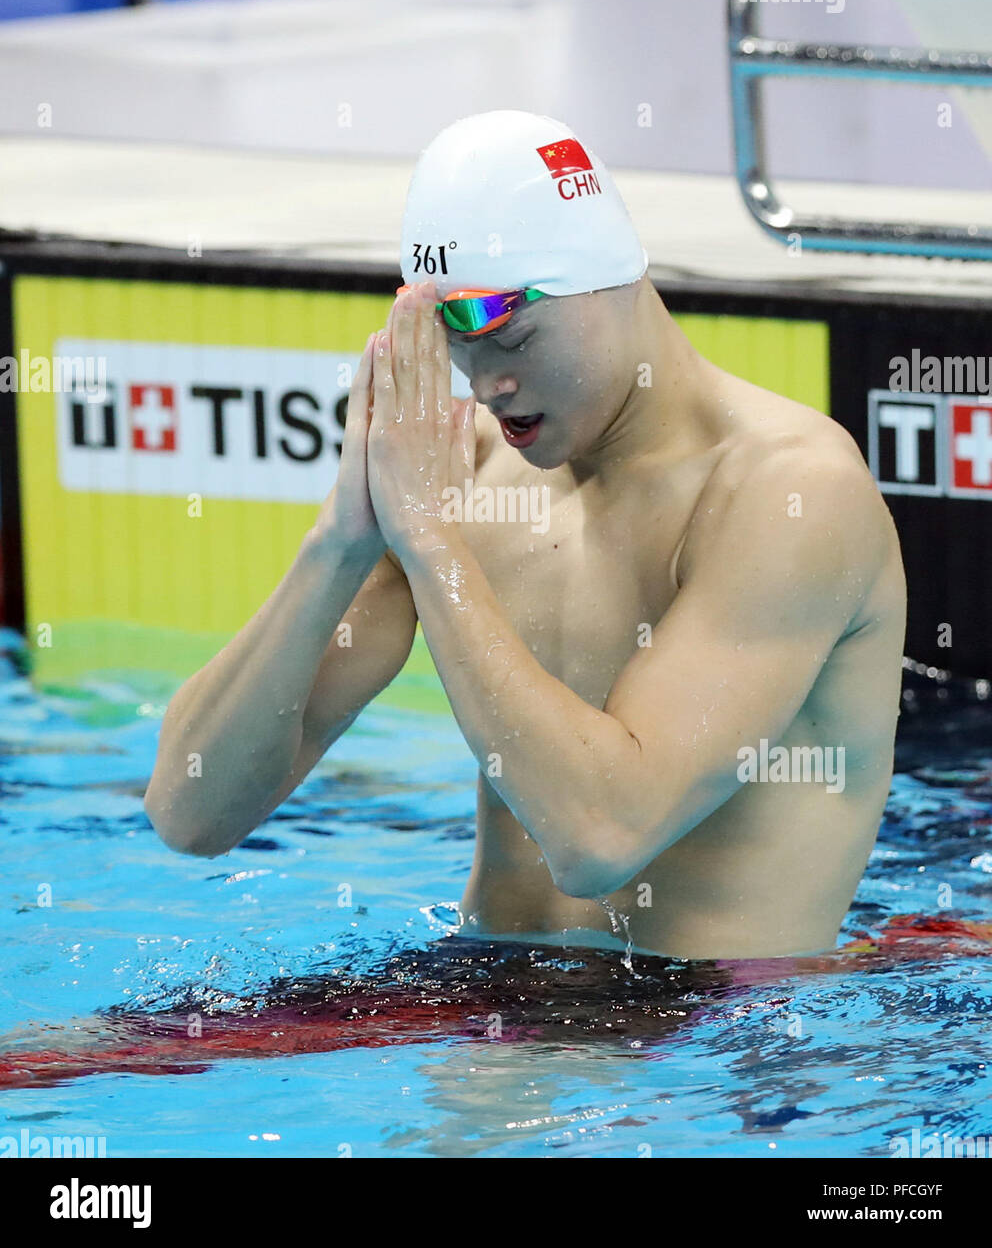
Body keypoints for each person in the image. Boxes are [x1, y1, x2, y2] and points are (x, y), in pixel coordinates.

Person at [145, 110, 907, 960]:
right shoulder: (458, 473)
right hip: (485, 985)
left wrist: (431, 543)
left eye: (512, 335)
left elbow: (601, 837)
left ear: (609, 278)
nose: (489, 382)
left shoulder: (788, 493)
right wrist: (341, 541)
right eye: (459, 347)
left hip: (702, 1034)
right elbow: (190, 812)